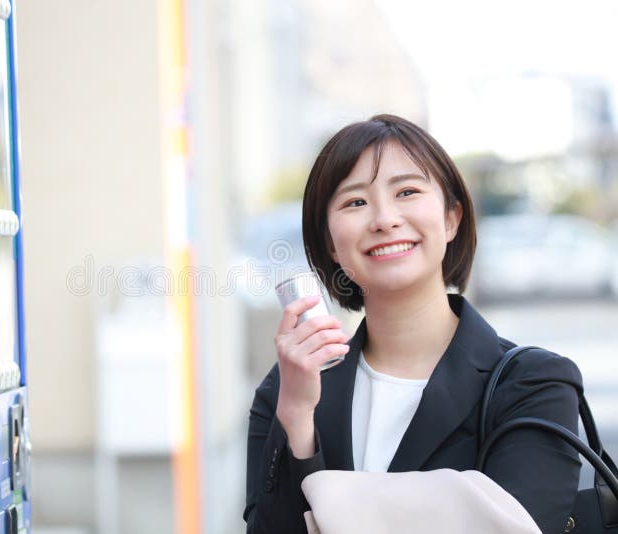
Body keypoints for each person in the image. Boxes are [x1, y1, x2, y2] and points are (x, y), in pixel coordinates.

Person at [244, 114, 583, 534]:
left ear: (451, 219)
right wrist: (296, 417)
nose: (385, 219)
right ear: (331, 243)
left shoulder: (534, 384)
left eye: (407, 191)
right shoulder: (287, 390)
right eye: (355, 202)